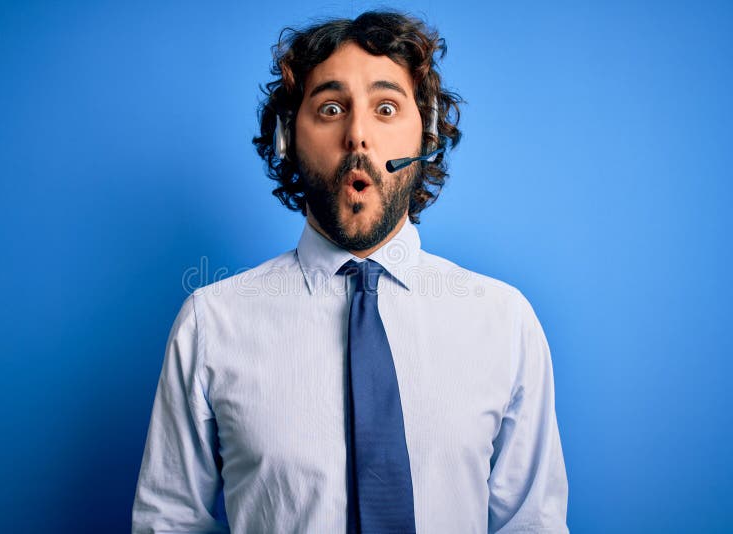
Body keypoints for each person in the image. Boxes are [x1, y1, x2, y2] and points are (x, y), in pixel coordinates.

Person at [132, 10, 568, 534]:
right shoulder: (210, 324)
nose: (358, 135)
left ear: (424, 134)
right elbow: (168, 523)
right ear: (286, 138)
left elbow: (533, 525)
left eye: (386, 108)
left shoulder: (505, 323)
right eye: (331, 108)